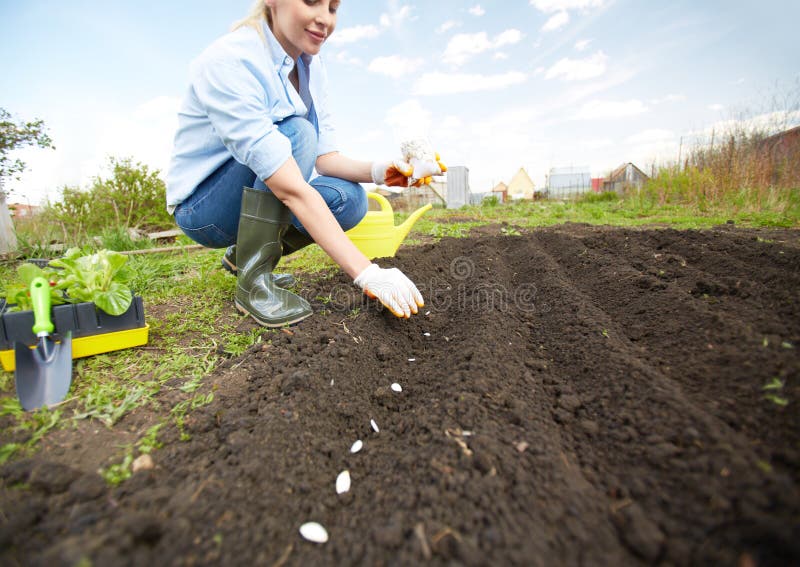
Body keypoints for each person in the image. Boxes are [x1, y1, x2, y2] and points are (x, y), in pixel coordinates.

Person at [166, 0, 445, 328]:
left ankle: (243, 257)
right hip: (204, 210)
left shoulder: (311, 65)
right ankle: (253, 285)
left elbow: (325, 159)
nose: (324, 19)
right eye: (312, 1)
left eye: (333, 7)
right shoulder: (231, 61)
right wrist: (366, 272)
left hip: (259, 188)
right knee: (297, 132)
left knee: (351, 200)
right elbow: (289, 185)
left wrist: (381, 171)